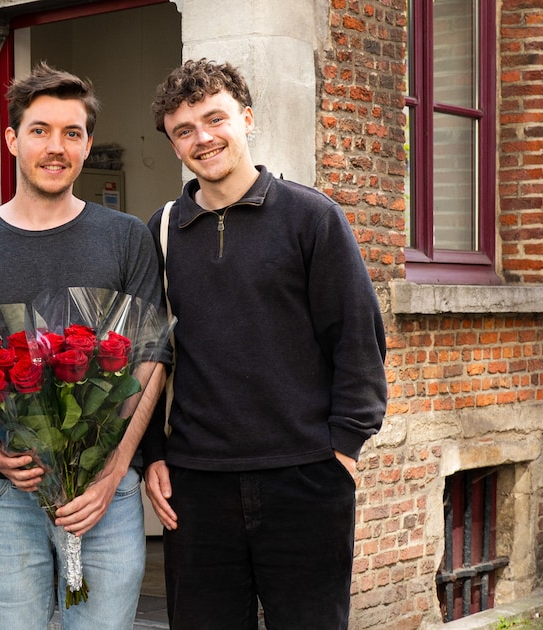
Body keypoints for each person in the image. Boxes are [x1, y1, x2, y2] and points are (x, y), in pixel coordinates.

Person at [141, 59, 387, 629]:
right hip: (196, 485)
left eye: (214, 119)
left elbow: (358, 340)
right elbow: (148, 357)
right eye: (184, 130)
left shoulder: (312, 218)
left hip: (304, 478)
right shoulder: (160, 231)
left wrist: (342, 452)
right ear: (175, 144)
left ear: (245, 118)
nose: (202, 138)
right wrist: (154, 451)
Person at [0, 63, 165, 630]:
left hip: (104, 498)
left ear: (87, 145)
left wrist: (113, 473)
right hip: (8, 491)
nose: (55, 146)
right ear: (13, 140)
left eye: (72, 133)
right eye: (40, 130)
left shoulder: (127, 236)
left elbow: (152, 360)